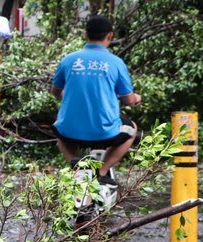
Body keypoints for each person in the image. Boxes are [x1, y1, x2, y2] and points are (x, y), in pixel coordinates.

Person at [50, 15, 141, 191]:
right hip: (105, 133)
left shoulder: (69, 60)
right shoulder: (115, 63)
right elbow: (128, 100)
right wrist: (137, 98)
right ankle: (103, 171)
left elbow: (55, 91)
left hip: (70, 132)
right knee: (132, 128)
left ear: (85, 34)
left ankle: (75, 163)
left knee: (58, 126)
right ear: (110, 36)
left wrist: (73, 98)